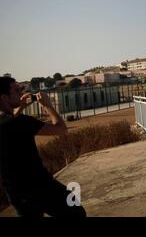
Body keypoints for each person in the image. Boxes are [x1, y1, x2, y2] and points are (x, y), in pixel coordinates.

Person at [0, 77, 86, 217]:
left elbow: (8, 118)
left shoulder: (8, 122)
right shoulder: (22, 123)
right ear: (4, 97)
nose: (21, 93)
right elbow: (60, 129)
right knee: (76, 212)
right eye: (17, 90)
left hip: (15, 192)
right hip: (40, 185)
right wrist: (47, 105)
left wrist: (20, 106)